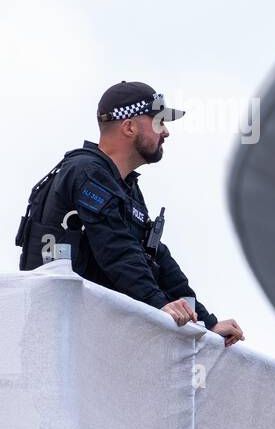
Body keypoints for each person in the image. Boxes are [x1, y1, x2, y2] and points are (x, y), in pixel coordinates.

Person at [15, 81, 245, 347]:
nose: (166, 132)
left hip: (87, 335)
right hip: (58, 337)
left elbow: (154, 256)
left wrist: (207, 322)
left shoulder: (124, 186)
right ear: (129, 127)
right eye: (159, 122)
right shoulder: (87, 173)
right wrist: (158, 304)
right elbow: (117, 250)